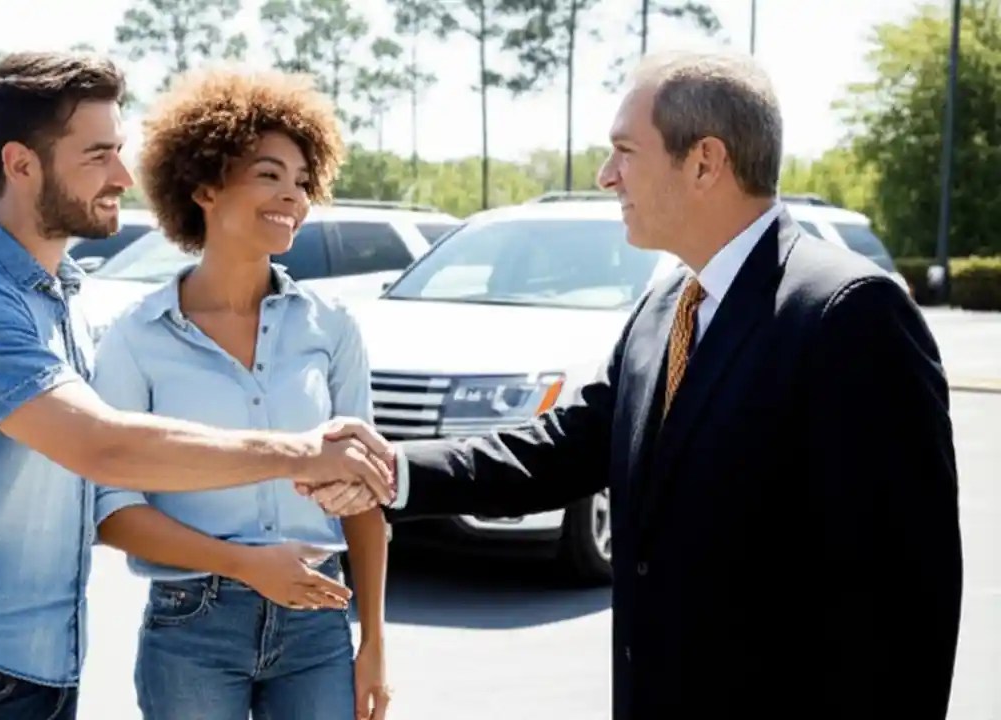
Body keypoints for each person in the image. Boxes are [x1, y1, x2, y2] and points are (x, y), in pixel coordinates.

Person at [312, 51, 965, 719]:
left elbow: (905, 599)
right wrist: (390, 470)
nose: (605, 176)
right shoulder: (663, 312)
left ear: (705, 162)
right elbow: (564, 448)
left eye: (625, 150)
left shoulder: (848, 314)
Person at [0, 51, 393, 720]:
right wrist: (302, 454)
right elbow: (102, 451)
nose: (122, 175)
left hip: (37, 662)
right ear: (21, 164)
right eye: (98, 155)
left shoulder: (65, 302)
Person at [89, 66, 391, 720]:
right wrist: (244, 565)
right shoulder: (136, 338)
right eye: (269, 174)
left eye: (303, 181)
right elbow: (111, 511)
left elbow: (363, 492)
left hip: (318, 622)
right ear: (203, 185)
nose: (293, 196)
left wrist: (373, 643)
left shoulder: (331, 327)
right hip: (192, 628)